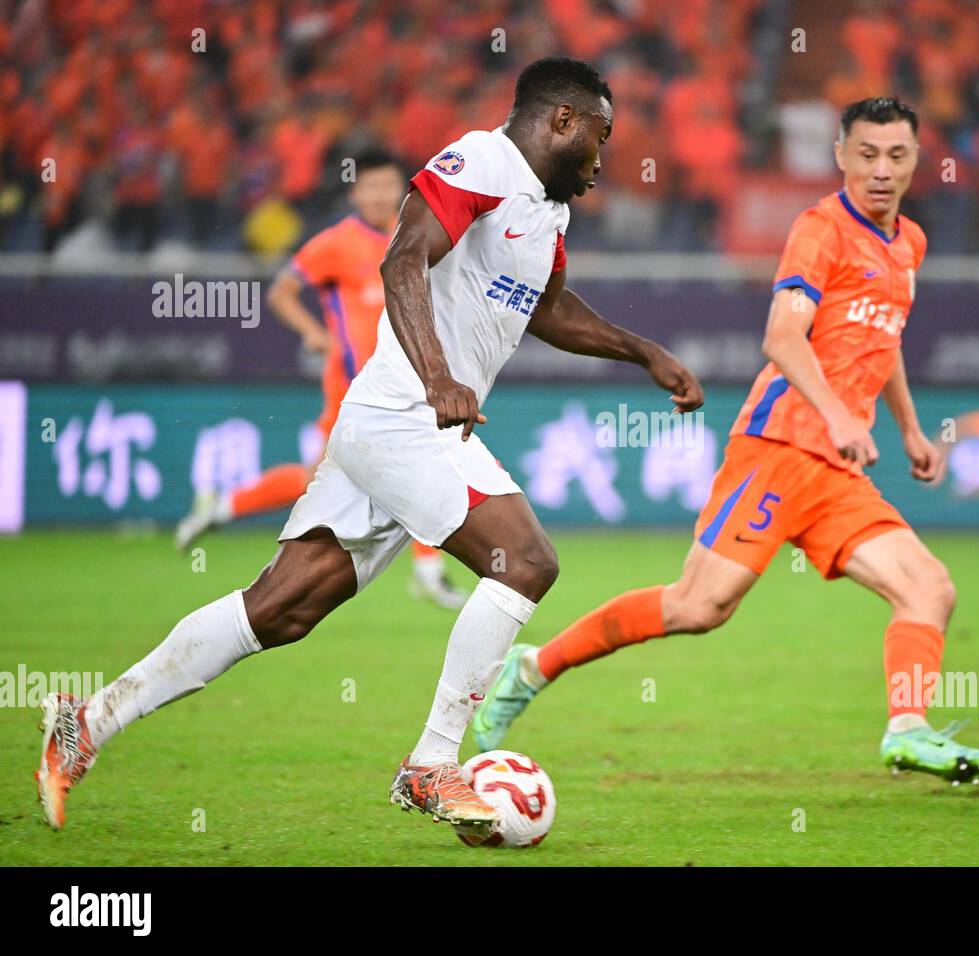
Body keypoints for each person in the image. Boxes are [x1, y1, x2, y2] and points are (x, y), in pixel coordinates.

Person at [35, 57, 703, 832]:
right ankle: (431, 764)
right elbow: (404, 258)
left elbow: (549, 312)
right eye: (600, 136)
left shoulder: (548, 213)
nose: (601, 160)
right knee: (525, 562)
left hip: (397, 427)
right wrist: (440, 375)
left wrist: (643, 351)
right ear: (561, 121)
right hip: (405, 414)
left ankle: (87, 723)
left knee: (277, 612)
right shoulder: (482, 161)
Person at [474, 97, 979, 785]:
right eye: (866, 154)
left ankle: (909, 730)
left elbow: (884, 337)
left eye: (896, 156)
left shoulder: (909, 243)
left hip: (837, 471)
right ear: (841, 155)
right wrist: (839, 416)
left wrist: (906, 426)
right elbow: (782, 337)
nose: (881, 170)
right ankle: (532, 668)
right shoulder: (821, 230)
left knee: (929, 587)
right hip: (778, 448)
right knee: (697, 608)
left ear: (915, 162)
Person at [175, 148, 467, 609]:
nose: (378, 195)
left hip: (405, 383)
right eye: (369, 186)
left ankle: (429, 573)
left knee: (418, 463)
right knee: (323, 477)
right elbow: (282, 291)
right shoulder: (336, 243)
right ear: (355, 192)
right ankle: (224, 508)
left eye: (388, 185)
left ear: (402, 188)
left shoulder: (414, 237)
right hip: (350, 388)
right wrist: (314, 333)